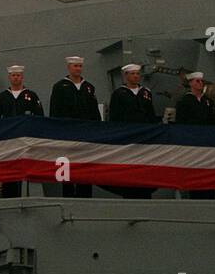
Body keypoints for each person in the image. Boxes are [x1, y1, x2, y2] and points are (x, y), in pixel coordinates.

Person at [49, 56, 101, 197]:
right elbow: (54, 111)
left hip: (86, 135)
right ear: (69, 67)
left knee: (85, 169)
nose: (78, 69)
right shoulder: (60, 87)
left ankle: (86, 198)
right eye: (75, 66)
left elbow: (95, 113)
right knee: (67, 169)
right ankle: (68, 197)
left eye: (79, 66)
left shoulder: (88, 87)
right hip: (67, 135)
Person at [0, 64, 44, 197]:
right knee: (9, 174)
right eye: (13, 75)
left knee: (26, 172)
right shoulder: (2, 97)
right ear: (10, 77)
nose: (16, 78)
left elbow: (39, 118)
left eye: (18, 75)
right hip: (8, 143)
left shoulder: (31, 96)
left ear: (22, 77)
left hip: (26, 142)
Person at [107, 63, 157, 199]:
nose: (136, 76)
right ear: (126, 76)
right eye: (133, 74)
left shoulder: (145, 93)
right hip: (128, 136)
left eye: (137, 74)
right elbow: (115, 116)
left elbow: (151, 114)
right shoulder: (119, 94)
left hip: (144, 136)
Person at [175, 72, 215, 200]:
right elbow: (181, 122)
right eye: (197, 81)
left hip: (207, 142)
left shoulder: (207, 101)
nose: (200, 83)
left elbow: (213, 120)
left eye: (201, 81)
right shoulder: (185, 101)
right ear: (190, 83)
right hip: (192, 142)